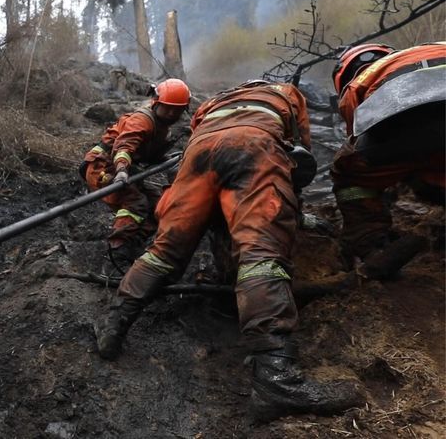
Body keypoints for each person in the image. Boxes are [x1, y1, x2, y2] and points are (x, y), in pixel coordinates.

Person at [93, 80, 363, 420]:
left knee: (166, 249)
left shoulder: (212, 104)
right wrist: (288, 211)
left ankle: (113, 324)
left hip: (200, 152)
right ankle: (276, 381)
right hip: (255, 145)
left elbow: (208, 163)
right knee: (261, 255)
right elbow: (298, 154)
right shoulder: (286, 93)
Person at [330, 42, 445, 269]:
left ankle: (372, 246)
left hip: (403, 135)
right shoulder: (437, 47)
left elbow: (358, 134)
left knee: (348, 173)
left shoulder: (361, 80)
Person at [80, 78, 190, 268]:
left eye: (177, 110)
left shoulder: (162, 125)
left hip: (124, 167)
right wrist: (122, 170)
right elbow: (124, 147)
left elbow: (144, 152)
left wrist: (165, 158)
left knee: (158, 204)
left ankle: (135, 243)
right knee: (135, 202)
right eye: (167, 108)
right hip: (103, 167)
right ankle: (118, 249)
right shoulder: (142, 120)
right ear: (156, 102)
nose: (172, 113)